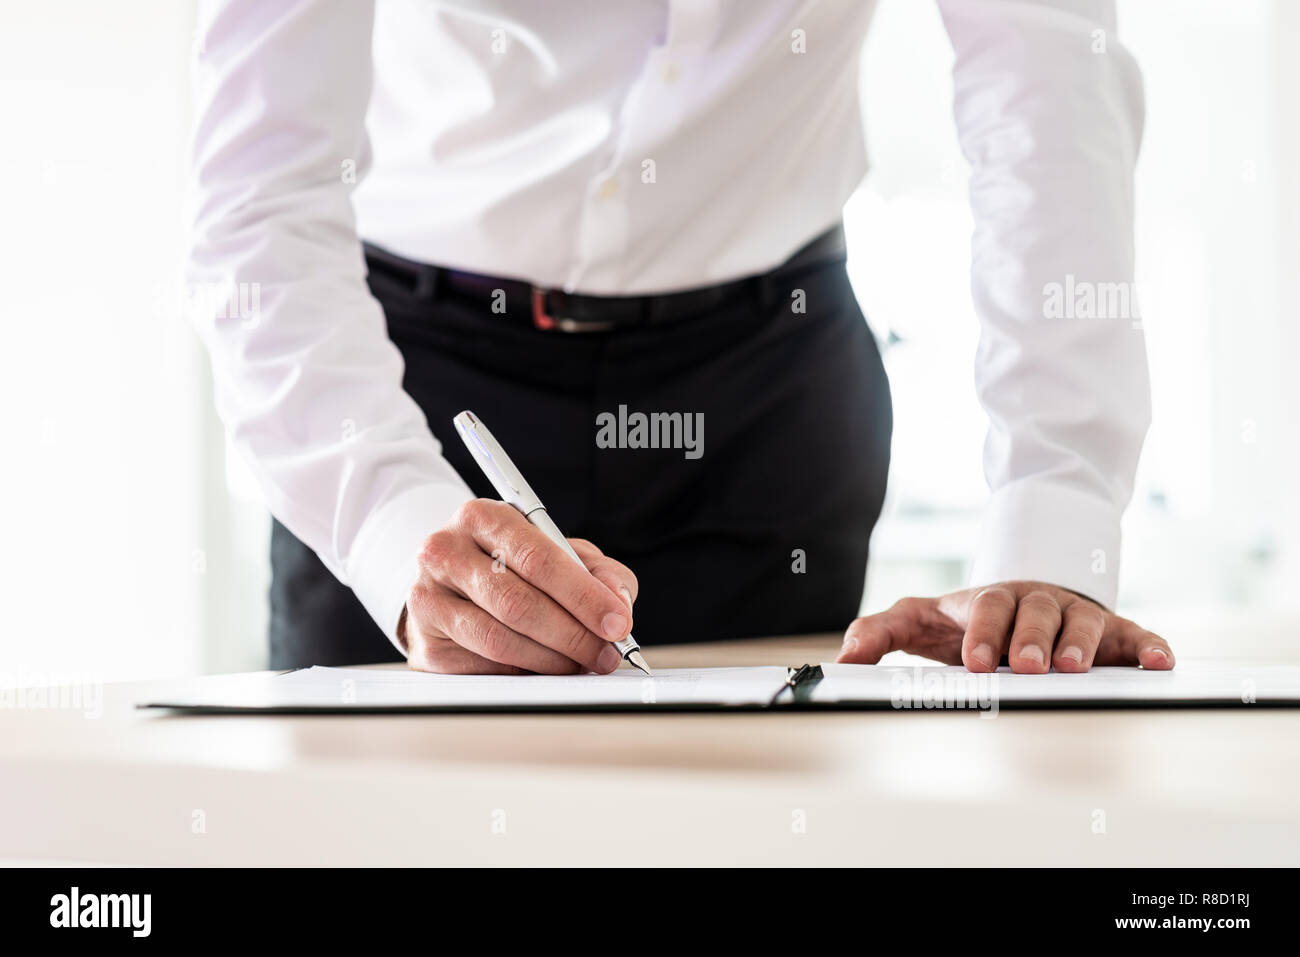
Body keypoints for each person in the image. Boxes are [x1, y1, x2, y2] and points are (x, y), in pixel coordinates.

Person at [188, 0, 1174, 676]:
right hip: (410, 378)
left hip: (764, 386)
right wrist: (388, 525)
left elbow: (1046, 95)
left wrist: (1051, 519)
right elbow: (260, 188)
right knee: (381, 837)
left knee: (747, 833)